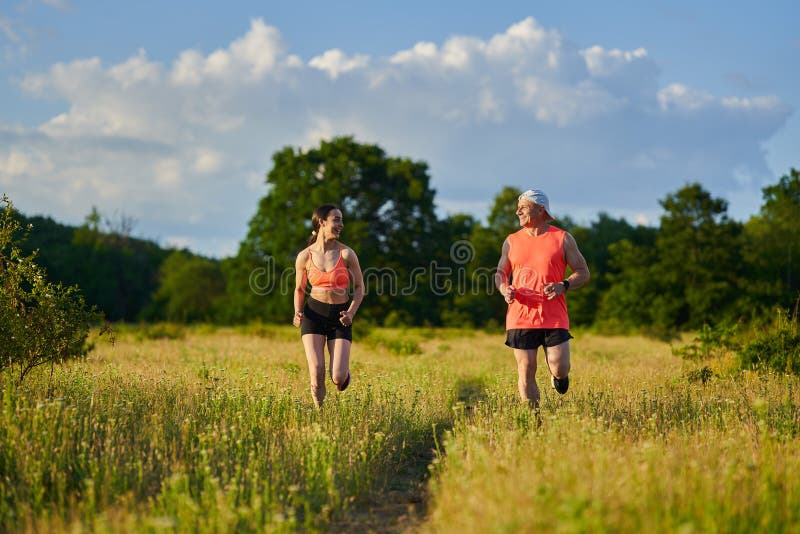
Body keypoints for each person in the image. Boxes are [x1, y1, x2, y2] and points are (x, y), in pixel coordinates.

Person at [495, 189, 590, 408]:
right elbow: (500, 274)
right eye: (518, 206)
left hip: (554, 316)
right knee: (526, 369)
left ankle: (558, 377)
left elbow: (583, 272)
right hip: (520, 315)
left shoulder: (562, 238)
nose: (517, 211)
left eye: (523, 207)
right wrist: (504, 289)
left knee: (559, 366)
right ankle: (533, 420)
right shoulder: (511, 241)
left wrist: (563, 285)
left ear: (541, 209)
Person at [293, 204, 365, 408]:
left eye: (342, 220)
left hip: (340, 316)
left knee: (338, 377)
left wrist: (351, 313)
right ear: (322, 222)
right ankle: (319, 411)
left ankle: (343, 374)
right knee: (316, 370)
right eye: (337, 219)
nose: (341, 224)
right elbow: (299, 289)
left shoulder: (347, 255)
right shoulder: (305, 256)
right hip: (313, 314)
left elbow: (360, 287)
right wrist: (297, 311)